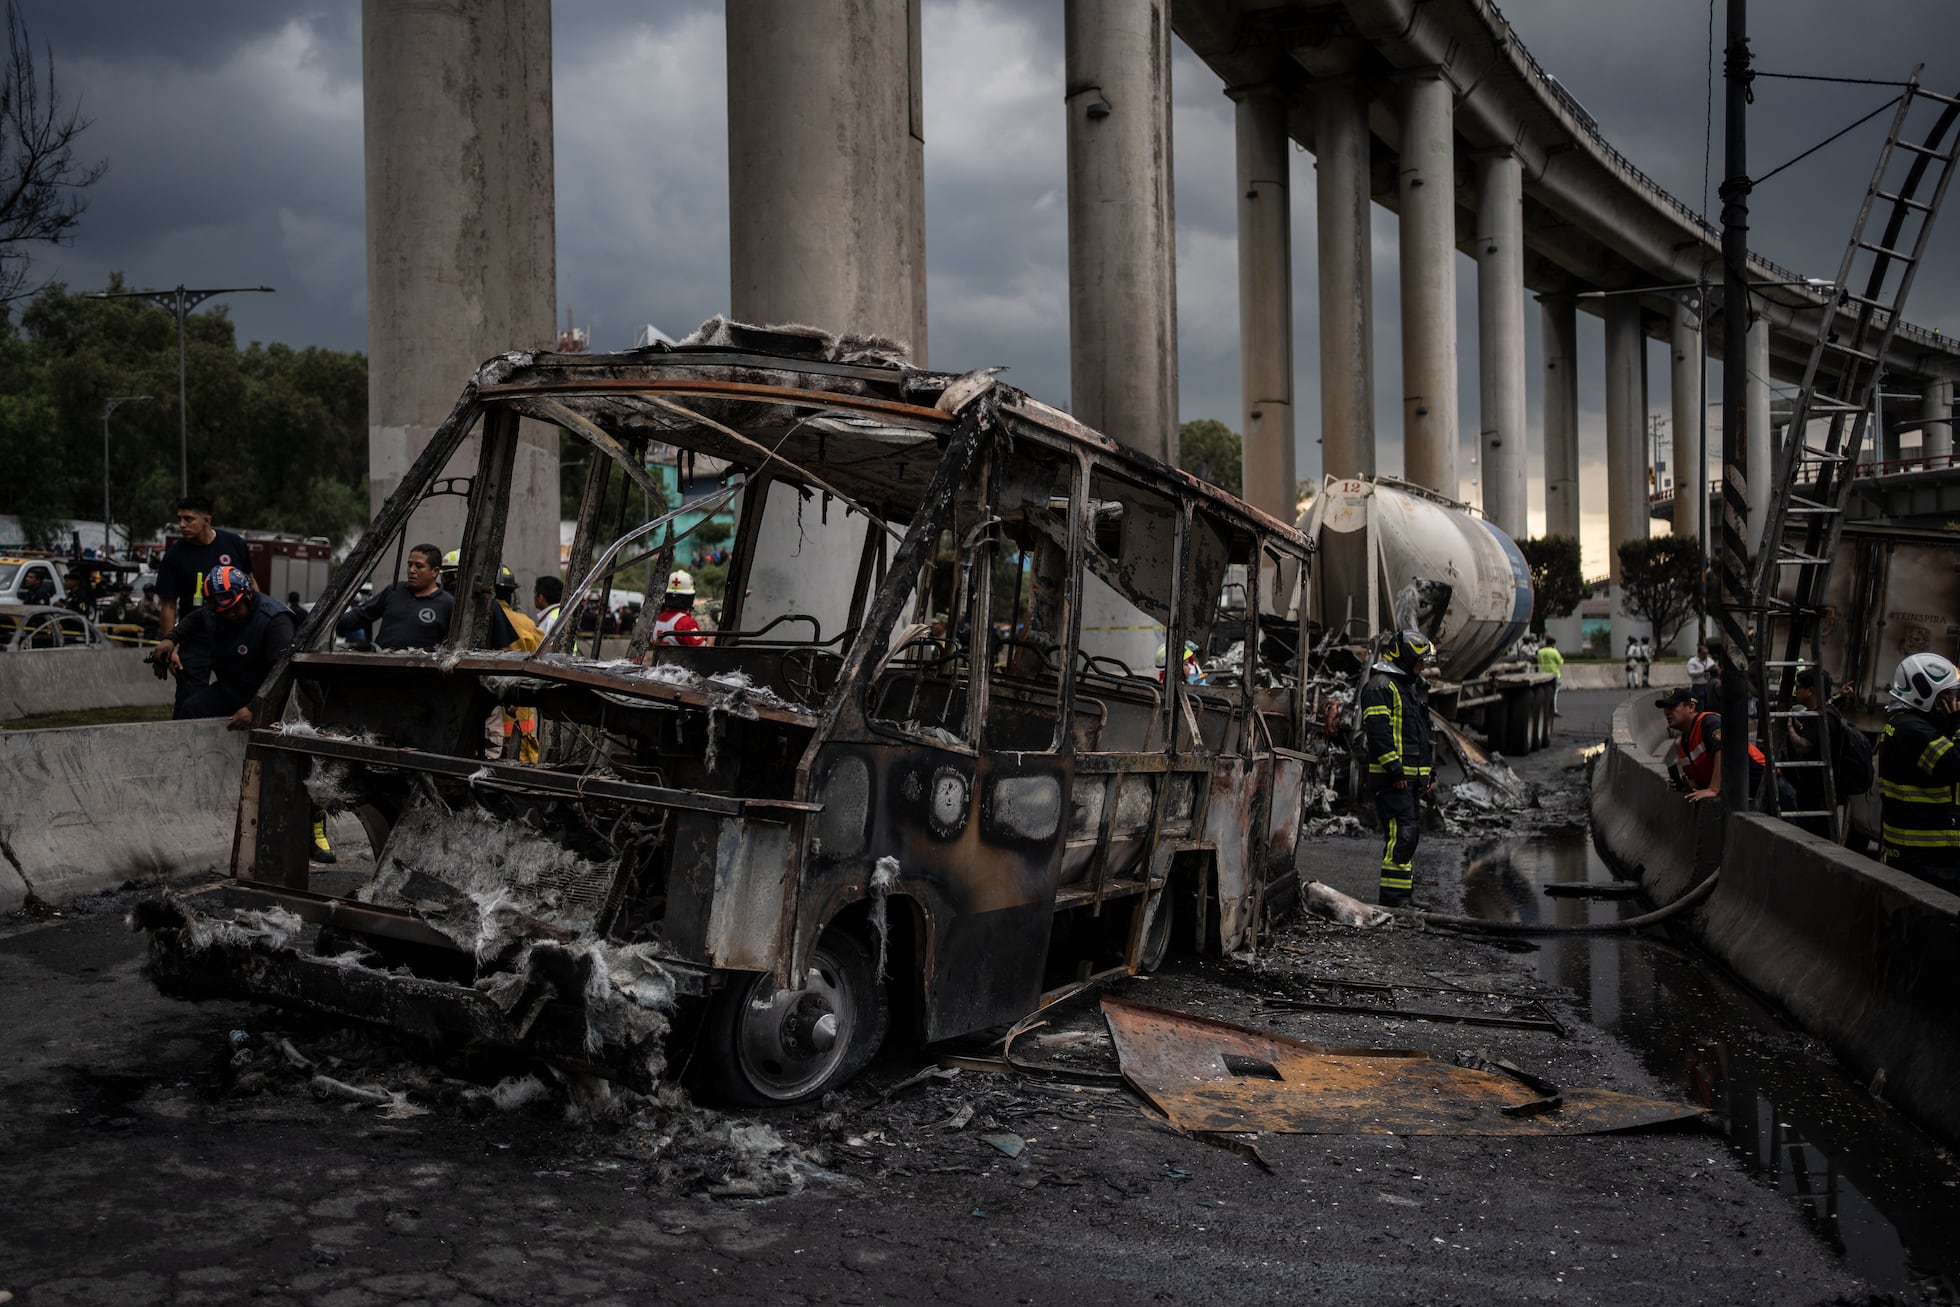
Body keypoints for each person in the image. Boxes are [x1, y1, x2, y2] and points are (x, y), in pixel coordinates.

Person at [154, 496, 255, 717]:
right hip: (195, 639)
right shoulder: (174, 556)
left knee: (240, 694)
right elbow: (169, 606)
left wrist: (258, 625)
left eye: (188, 519)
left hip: (233, 636)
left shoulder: (233, 544)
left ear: (207, 520)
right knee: (189, 702)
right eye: (179, 519)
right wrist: (168, 643)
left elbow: (252, 586)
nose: (182, 525)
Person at [1360, 630, 1436, 908]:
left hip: (1408, 780)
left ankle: (1402, 897)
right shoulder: (1381, 686)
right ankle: (1393, 901)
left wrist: (1428, 773)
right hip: (1392, 780)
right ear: (1404, 659)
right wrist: (1395, 770)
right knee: (1401, 836)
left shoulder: (1405, 687)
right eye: (1419, 661)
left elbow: (1419, 736)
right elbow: (1379, 734)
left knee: (1408, 836)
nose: (1422, 667)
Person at [1877, 652, 1960, 892]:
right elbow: (1954, 764)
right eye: (1946, 697)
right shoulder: (1911, 729)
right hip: (1926, 860)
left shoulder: (1909, 724)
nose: (1952, 703)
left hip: (1927, 857)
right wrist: (1957, 722)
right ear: (1923, 692)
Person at [1656, 687, 1791, 809]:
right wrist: (1689, 784)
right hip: (1750, 796)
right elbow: (1702, 776)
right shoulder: (1684, 744)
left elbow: (1723, 750)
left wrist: (1713, 789)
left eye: (1672, 707)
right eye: (1665, 708)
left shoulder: (1709, 723)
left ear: (1691, 707)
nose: (1667, 712)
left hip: (1771, 786)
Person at [335, 544, 452, 649]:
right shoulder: (394, 591)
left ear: (435, 572)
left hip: (421, 670)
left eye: (419, 566)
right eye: (410, 564)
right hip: (382, 666)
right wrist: (333, 621)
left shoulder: (447, 603)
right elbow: (361, 615)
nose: (411, 570)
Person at [652, 571, 708, 646]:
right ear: (689, 597)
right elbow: (703, 650)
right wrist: (711, 639)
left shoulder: (658, 619)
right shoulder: (686, 623)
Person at [1536, 634, 1564, 716]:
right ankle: (1553, 710)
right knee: (1554, 694)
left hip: (1544, 675)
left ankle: (1545, 709)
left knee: (1545, 694)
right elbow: (1560, 662)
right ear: (1553, 644)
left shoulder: (1541, 652)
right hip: (1555, 675)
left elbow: (1540, 662)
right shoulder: (1554, 652)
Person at [1687, 641, 1717, 709]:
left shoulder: (1710, 660)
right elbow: (1690, 672)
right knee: (1700, 703)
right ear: (1699, 653)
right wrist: (1703, 671)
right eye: (1704, 653)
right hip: (1698, 685)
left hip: (1709, 685)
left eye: (1707, 653)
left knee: (1709, 703)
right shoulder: (1692, 661)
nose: (1706, 655)